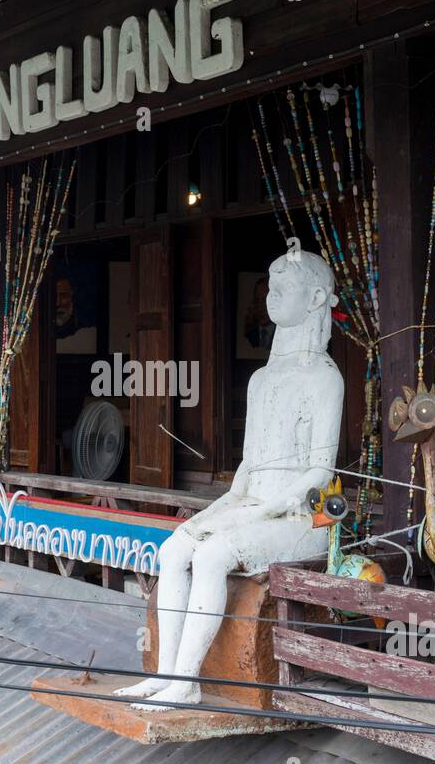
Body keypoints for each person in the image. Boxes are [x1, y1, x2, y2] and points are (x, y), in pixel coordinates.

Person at [115, 250, 344, 710]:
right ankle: (166, 675)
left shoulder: (324, 377)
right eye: (270, 287)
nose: (272, 296)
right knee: (175, 547)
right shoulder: (260, 379)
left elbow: (321, 471)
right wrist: (217, 512)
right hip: (250, 504)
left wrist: (255, 513)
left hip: (302, 518)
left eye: (285, 288)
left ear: (317, 297)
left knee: (215, 553)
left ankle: (187, 681)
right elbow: (245, 474)